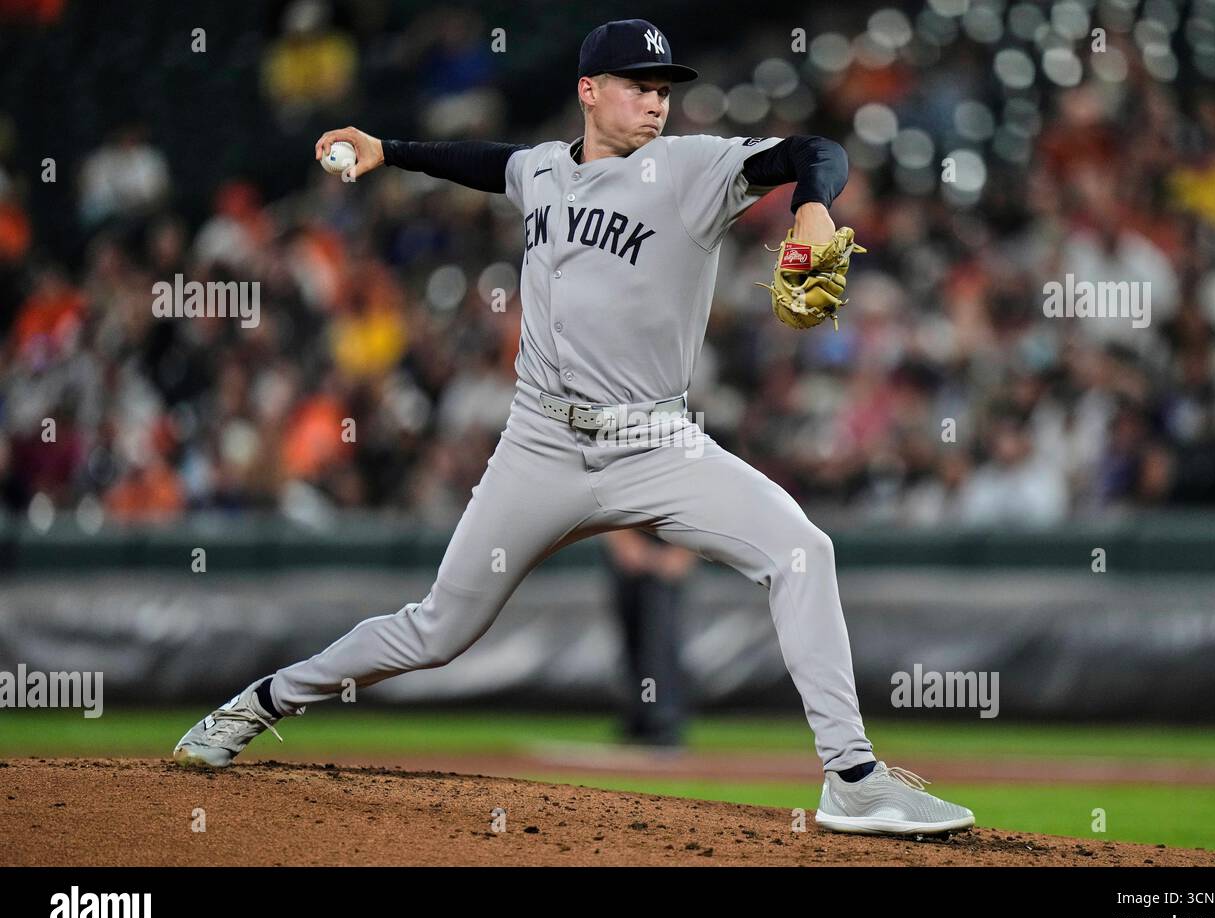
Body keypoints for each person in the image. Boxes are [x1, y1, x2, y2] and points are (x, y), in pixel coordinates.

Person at [174, 18, 975, 837]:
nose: (656, 103)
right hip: (540, 444)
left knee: (803, 550)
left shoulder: (692, 169)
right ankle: (260, 702)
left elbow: (815, 151)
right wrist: (390, 149)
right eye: (638, 86)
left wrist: (810, 208)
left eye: (663, 89)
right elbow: (488, 163)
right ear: (589, 91)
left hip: (656, 443)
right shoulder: (543, 170)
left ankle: (852, 777)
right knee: (439, 630)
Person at [604, 529, 694, 749]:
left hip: (667, 549)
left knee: (657, 646)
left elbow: (700, 513)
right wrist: (623, 540)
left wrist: (683, 552)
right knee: (633, 641)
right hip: (629, 548)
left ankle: (660, 718)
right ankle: (640, 716)